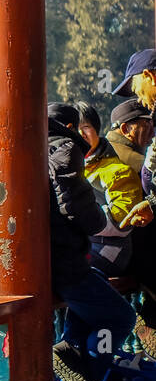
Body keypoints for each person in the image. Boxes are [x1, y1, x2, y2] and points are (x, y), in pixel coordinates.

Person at [46, 103, 137, 381]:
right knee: (121, 317)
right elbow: (77, 209)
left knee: (96, 282)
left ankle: (70, 347)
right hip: (65, 259)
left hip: (51, 258)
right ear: (71, 128)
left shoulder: (34, 146)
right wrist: (98, 218)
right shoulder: (65, 148)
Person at [76, 102, 141, 277]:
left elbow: (124, 221)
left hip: (110, 250)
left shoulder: (116, 170)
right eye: (75, 129)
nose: (81, 134)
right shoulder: (72, 166)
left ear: (97, 130)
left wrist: (80, 217)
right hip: (85, 246)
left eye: (86, 127)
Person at [105, 97, 152, 177]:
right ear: (125, 130)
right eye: (146, 125)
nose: (152, 132)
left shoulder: (106, 148)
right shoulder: (139, 163)